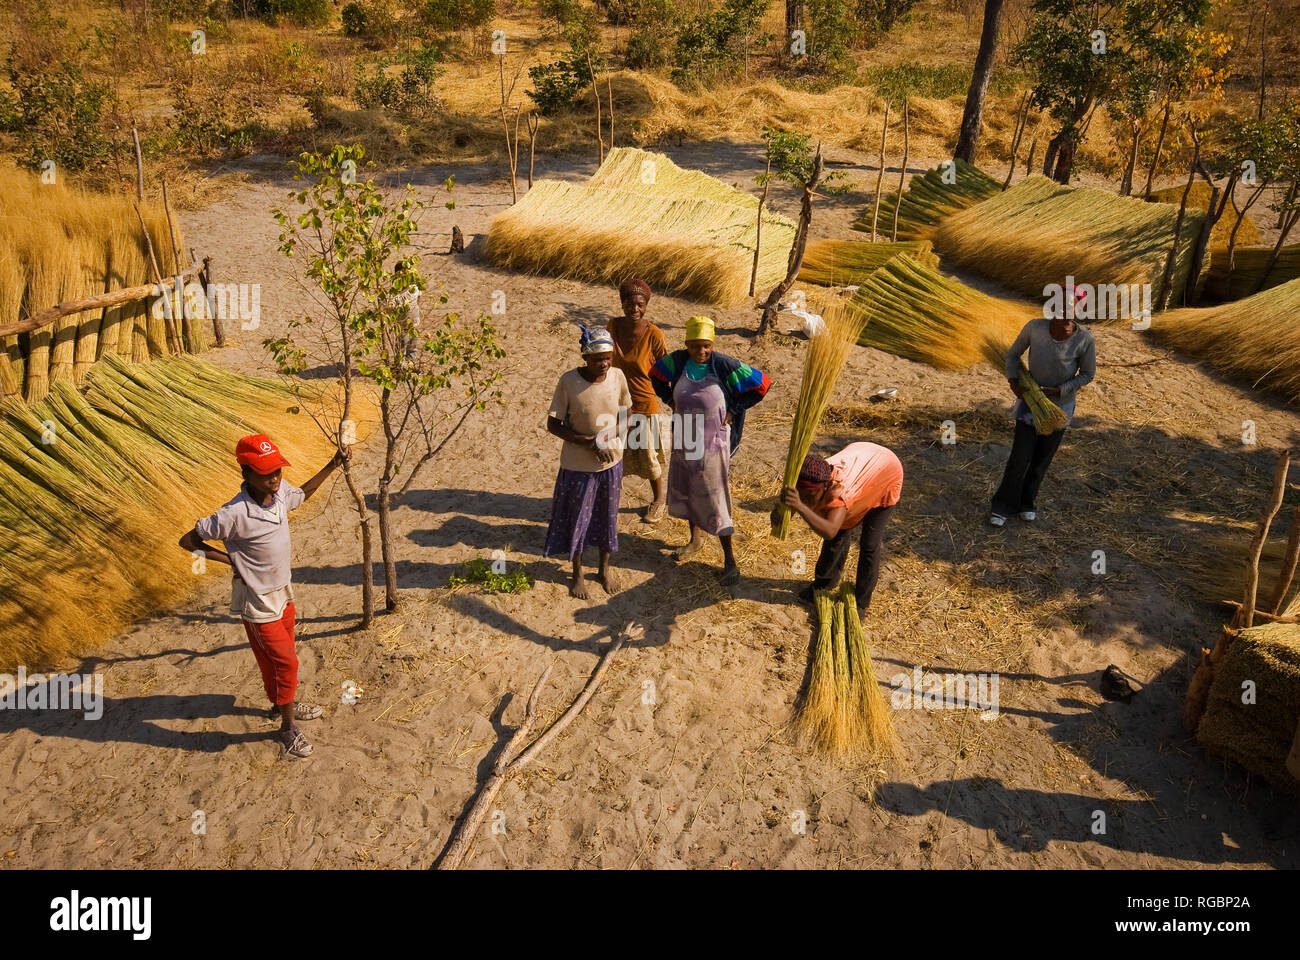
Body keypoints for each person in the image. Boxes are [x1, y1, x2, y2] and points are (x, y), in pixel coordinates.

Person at [179, 434, 347, 759]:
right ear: (246, 473)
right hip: (258, 602)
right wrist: (229, 560)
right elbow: (188, 541)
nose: (274, 478)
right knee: (287, 662)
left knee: (277, 661)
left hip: (284, 591)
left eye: (277, 471)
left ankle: (282, 703)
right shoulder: (233, 514)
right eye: (266, 473)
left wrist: (333, 464)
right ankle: (287, 727)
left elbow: (303, 494)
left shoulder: (280, 492)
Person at [651, 315, 769, 586]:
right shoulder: (678, 361)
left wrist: (734, 409)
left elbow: (762, 384)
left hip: (713, 443)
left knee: (717, 499)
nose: (701, 351)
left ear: (712, 344)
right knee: (690, 488)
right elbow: (655, 374)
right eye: (695, 346)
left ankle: (729, 559)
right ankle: (694, 541)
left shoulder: (723, 364)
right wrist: (669, 398)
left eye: (706, 346)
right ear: (687, 344)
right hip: (684, 437)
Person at [990, 294, 1096, 527]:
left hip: (1060, 409)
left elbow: (1088, 374)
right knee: (1019, 458)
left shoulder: (1084, 339)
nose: (1064, 311)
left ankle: (1027, 503)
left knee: (1040, 462)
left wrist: (1061, 390)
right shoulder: (1035, 328)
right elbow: (1012, 355)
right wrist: (1014, 381)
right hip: (1030, 404)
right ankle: (1002, 506)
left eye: (1070, 307)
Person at [544, 323, 631, 600]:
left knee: (607, 517)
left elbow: (628, 416)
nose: (603, 364)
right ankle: (577, 572)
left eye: (607, 358)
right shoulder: (569, 382)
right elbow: (553, 425)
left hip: (611, 462)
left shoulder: (618, 377)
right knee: (578, 519)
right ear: (585, 358)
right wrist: (589, 442)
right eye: (597, 359)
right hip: (578, 466)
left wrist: (607, 439)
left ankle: (604, 569)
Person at [778, 442, 903, 617]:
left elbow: (829, 531)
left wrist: (799, 506)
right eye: (802, 495)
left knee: (869, 543)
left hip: (886, 472)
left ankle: (861, 603)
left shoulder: (841, 491)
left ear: (825, 487)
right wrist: (783, 510)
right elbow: (779, 518)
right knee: (839, 530)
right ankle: (825, 583)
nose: (805, 499)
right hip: (862, 454)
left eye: (809, 496)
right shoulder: (814, 474)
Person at [609, 276, 670, 524]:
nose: (635, 309)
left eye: (640, 304)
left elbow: (666, 370)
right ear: (622, 304)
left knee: (648, 458)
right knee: (614, 453)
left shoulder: (654, 334)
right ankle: (609, 499)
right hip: (615, 404)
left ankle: (659, 500)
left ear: (646, 306)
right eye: (630, 304)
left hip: (644, 405)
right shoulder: (612, 327)